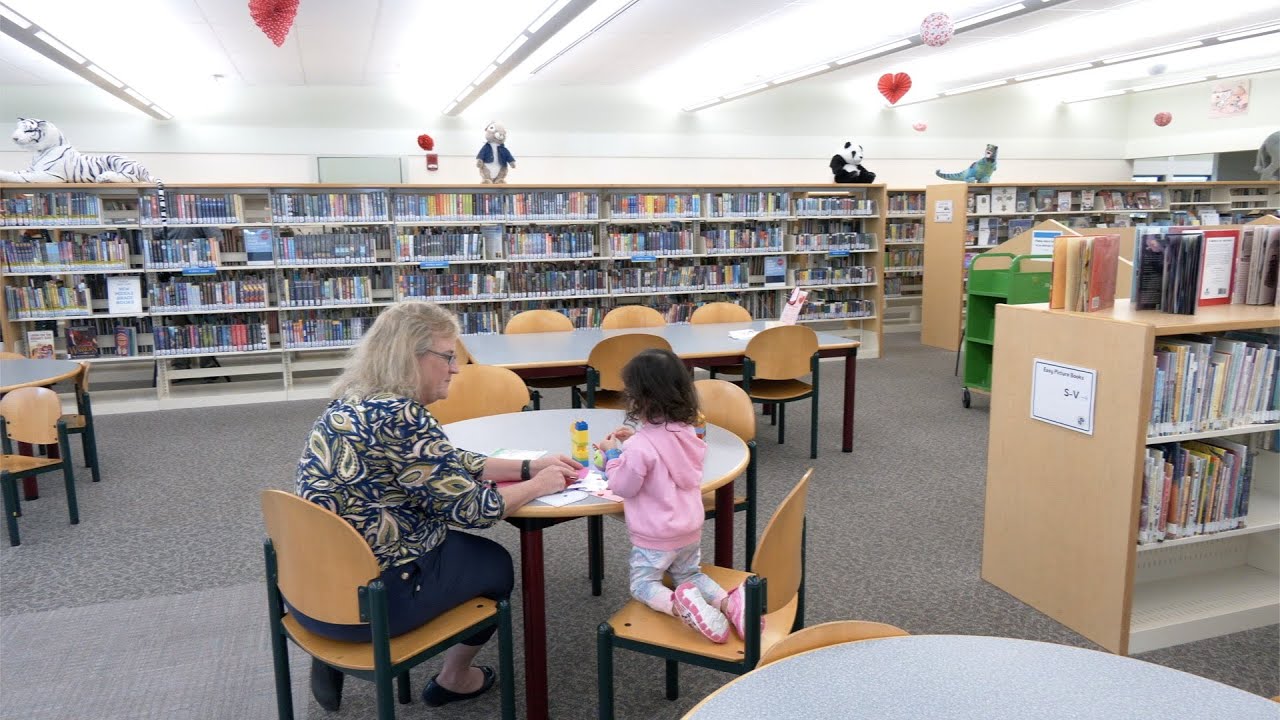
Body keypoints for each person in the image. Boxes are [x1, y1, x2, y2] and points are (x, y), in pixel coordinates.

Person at [294, 300, 580, 711]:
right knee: (495, 564)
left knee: (461, 547)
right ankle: (454, 678)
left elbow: (444, 460)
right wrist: (540, 484)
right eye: (448, 356)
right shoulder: (402, 415)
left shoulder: (351, 400)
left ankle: (329, 654)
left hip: (312, 587)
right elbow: (475, 511)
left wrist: (525, 465)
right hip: (372, 598)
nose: (456, 368)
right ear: (411, 357)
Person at [596, 349, 748, 644]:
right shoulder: (689, 434)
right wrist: (634, 441)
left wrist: (613, 454)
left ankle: (682, 608)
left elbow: (622, 486)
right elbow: (663, 451)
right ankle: (730, 604)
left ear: (639, 399)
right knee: (690, 574)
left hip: (656, 536)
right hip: (689, 529)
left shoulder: (640, 448)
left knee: (643, 584)